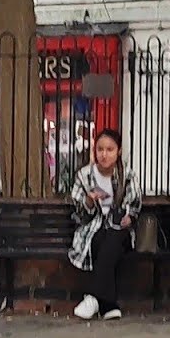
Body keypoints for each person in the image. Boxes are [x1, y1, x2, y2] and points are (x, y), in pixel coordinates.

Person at [68, 129, 143, 321]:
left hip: (121, 231)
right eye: (100, 149)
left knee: (113, 238)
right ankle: (108, 305)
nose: (104, 154)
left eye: (110, 149)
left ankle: (93, 297)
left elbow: (134, 205)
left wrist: (130, 218)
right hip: (92, 229)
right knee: (103, 240)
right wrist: (89, 202)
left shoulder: (127, 175)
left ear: (118, 151)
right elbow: (79, 214)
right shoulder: (84, 175)